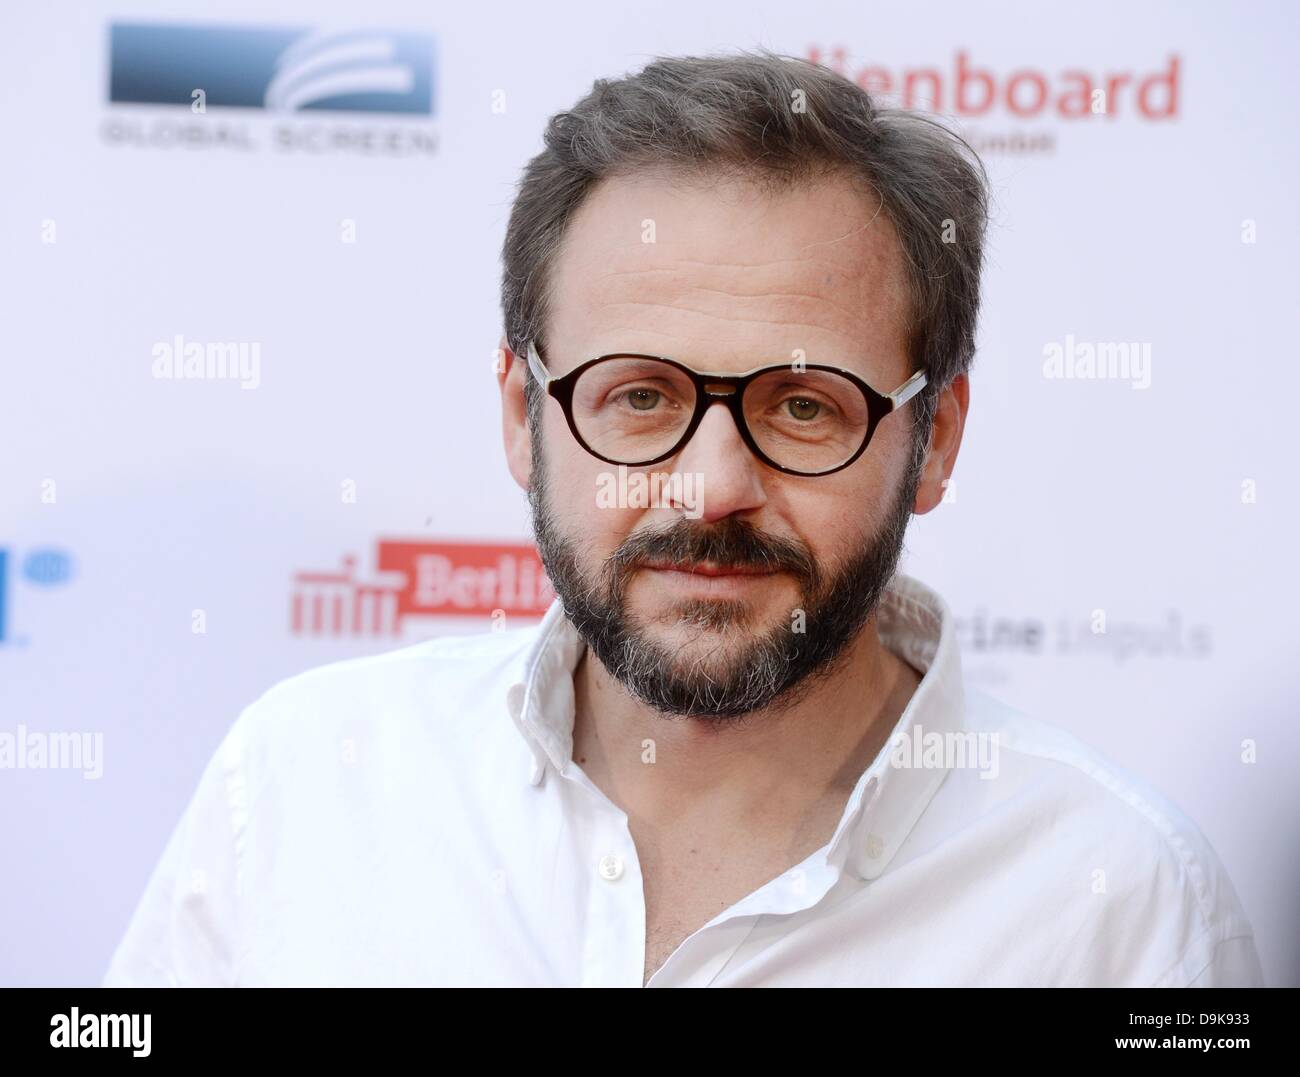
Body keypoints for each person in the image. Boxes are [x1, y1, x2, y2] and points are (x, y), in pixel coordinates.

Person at [103, 50, 1263, 987]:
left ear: (935, 440)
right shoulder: (306, 783)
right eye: (641, 396)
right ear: (524, 416)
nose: (710, 489)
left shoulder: (1117, 899)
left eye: (805, 407)